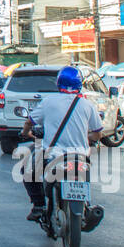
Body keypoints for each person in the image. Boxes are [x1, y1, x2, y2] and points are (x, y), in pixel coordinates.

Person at [18, 66, 105, 231]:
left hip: (53, 155)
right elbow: (97, 134)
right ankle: (86, 206)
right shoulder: (87, 104)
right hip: (80, 157)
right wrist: (86, 139)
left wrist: (25, 133)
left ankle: (38, 206)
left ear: (58, 83)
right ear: (80, 84)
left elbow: (30, 122)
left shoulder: (49, 101)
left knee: (28, 170)